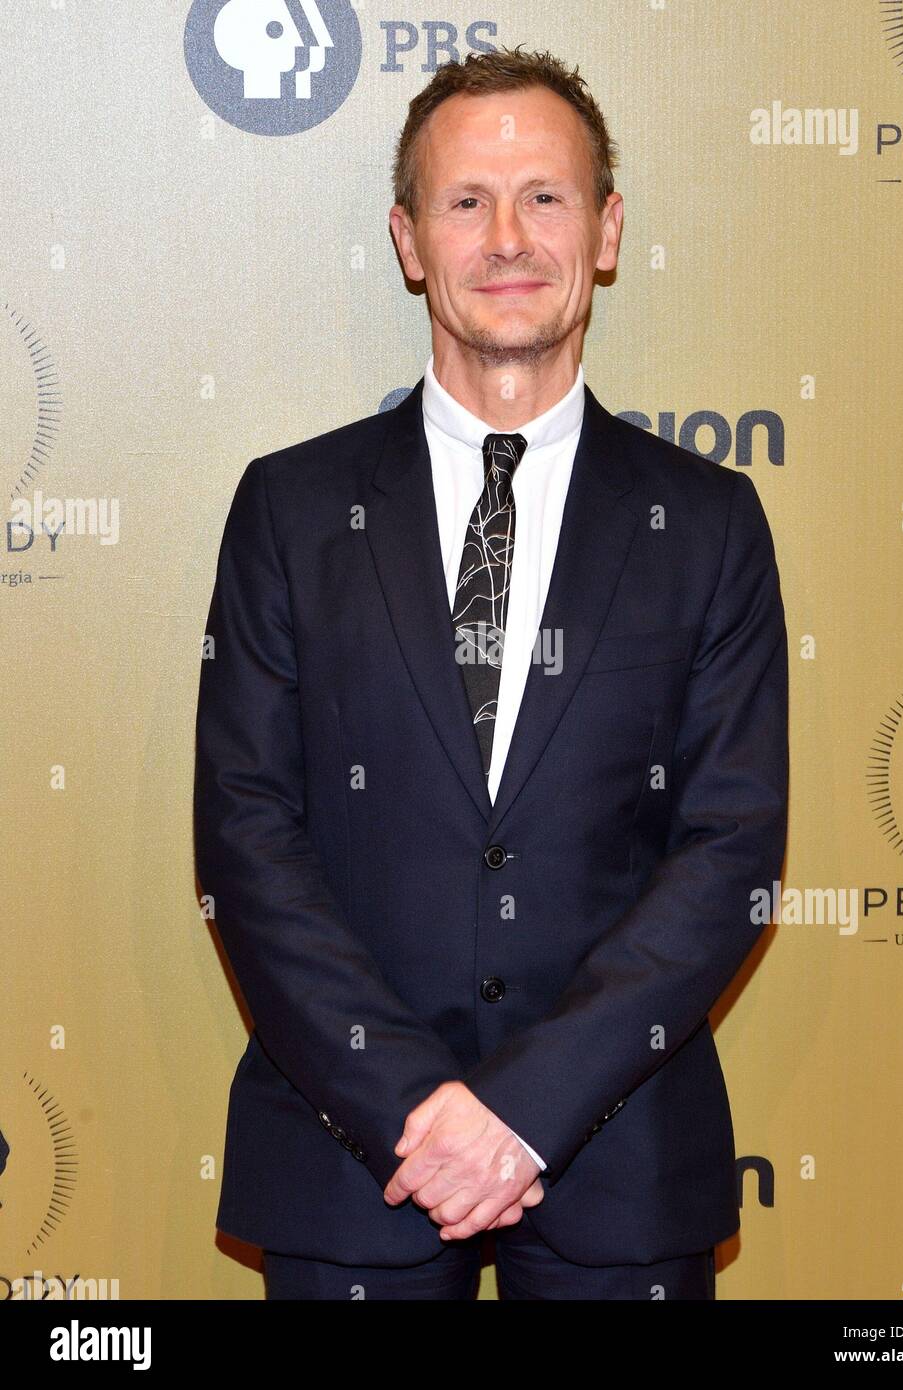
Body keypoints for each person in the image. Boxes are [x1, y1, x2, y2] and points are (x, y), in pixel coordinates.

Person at [193, 44, 788, 1301]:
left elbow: (728, 849)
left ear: (606, 229)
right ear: (411, 241)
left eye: (546, 197)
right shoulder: (290, 510)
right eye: (467, 201)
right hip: (351, 1161)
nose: (507, 236)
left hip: (621, 1165)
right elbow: (246, 834)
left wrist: (518, 1114)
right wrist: (418, 1107)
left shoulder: (710, 522)